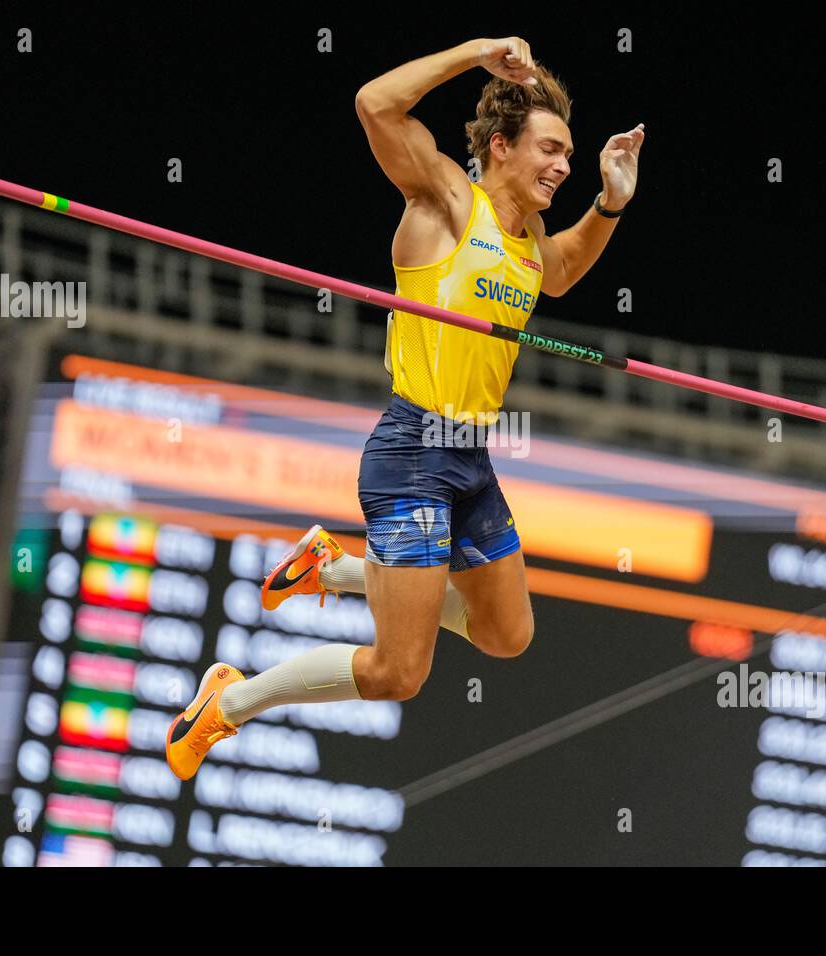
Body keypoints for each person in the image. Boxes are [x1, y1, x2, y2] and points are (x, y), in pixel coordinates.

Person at [167, 37, 643, 781]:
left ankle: (339, 567)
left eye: (570, 156)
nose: (562, 166)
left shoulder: (528, 240)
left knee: (507, 633)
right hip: (414, 455)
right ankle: (227, 703)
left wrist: (611, 200)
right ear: (500, 145)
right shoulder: (450, 201)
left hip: (470, 457)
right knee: (399, 672)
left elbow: (562, 274)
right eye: (551, 149)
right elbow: (374, 104)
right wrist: (477, 53)